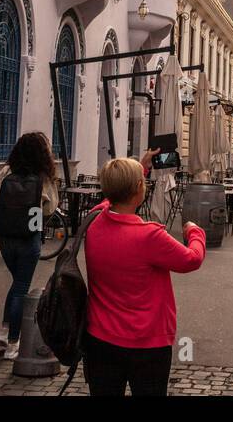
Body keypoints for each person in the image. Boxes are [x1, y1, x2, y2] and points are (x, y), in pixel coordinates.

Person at [82, 156, 205, 396]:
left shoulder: (94, 220)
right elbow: (192, 259)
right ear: (139, 188)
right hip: (147, 343)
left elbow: (116, 193)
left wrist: (141, 167)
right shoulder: (149, 237)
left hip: (100, 337)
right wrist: (195, 232)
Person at [0, 131, 58, 360]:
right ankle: (13, 342)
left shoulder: (6, 172)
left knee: (17, 284)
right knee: (21, 288)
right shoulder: (43, 176)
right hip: (29, 237)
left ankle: (5, 330)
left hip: (6, 237)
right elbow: (49, 208)